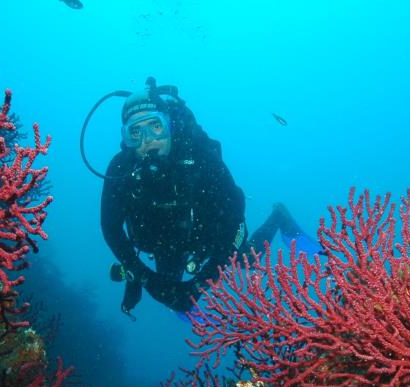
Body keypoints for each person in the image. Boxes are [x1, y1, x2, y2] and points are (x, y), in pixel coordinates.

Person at [100, 80, 309, 318]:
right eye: (136, 132)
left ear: (169, 125)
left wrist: (199, 284)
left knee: (247, 259)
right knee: (170, 291)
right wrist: (142, 275)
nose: (147, 140)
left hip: (209, 237)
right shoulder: (120, 169)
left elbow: (236, 219)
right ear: (126, 137)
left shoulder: (200, 157)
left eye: (155, 126)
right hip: (164, 244)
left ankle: (278, 216)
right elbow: (110, 228)